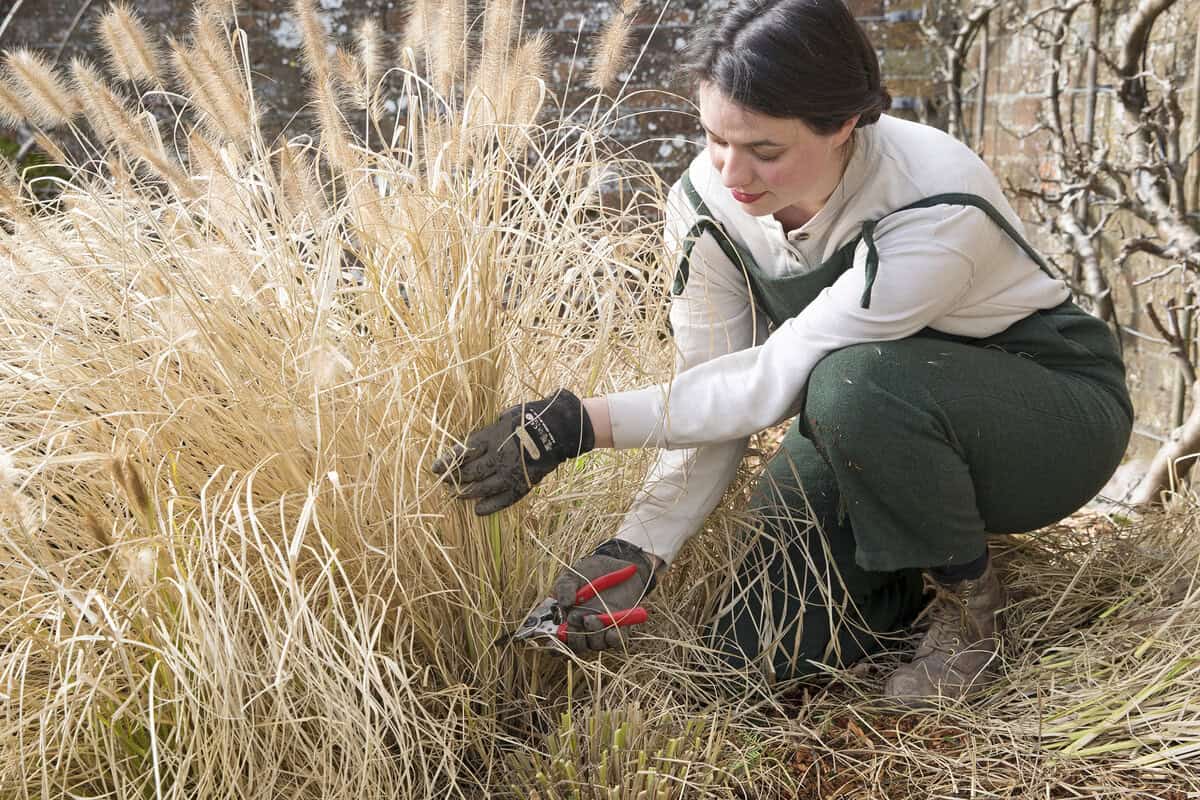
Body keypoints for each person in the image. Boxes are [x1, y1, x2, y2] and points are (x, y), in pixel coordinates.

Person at [431, 0, 1132, 706]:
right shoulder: (707, 205)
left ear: (845, 125)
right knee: (750, 659)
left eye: (766, 151)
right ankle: (896, 582)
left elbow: (771, 381)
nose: (734, 174)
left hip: (1042, 415)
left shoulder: (933, 199)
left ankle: (972, 611)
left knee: (850, 386)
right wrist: (638, 548)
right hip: (864, 424)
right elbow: (713, 394)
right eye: (714, 138)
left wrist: (576, 424)